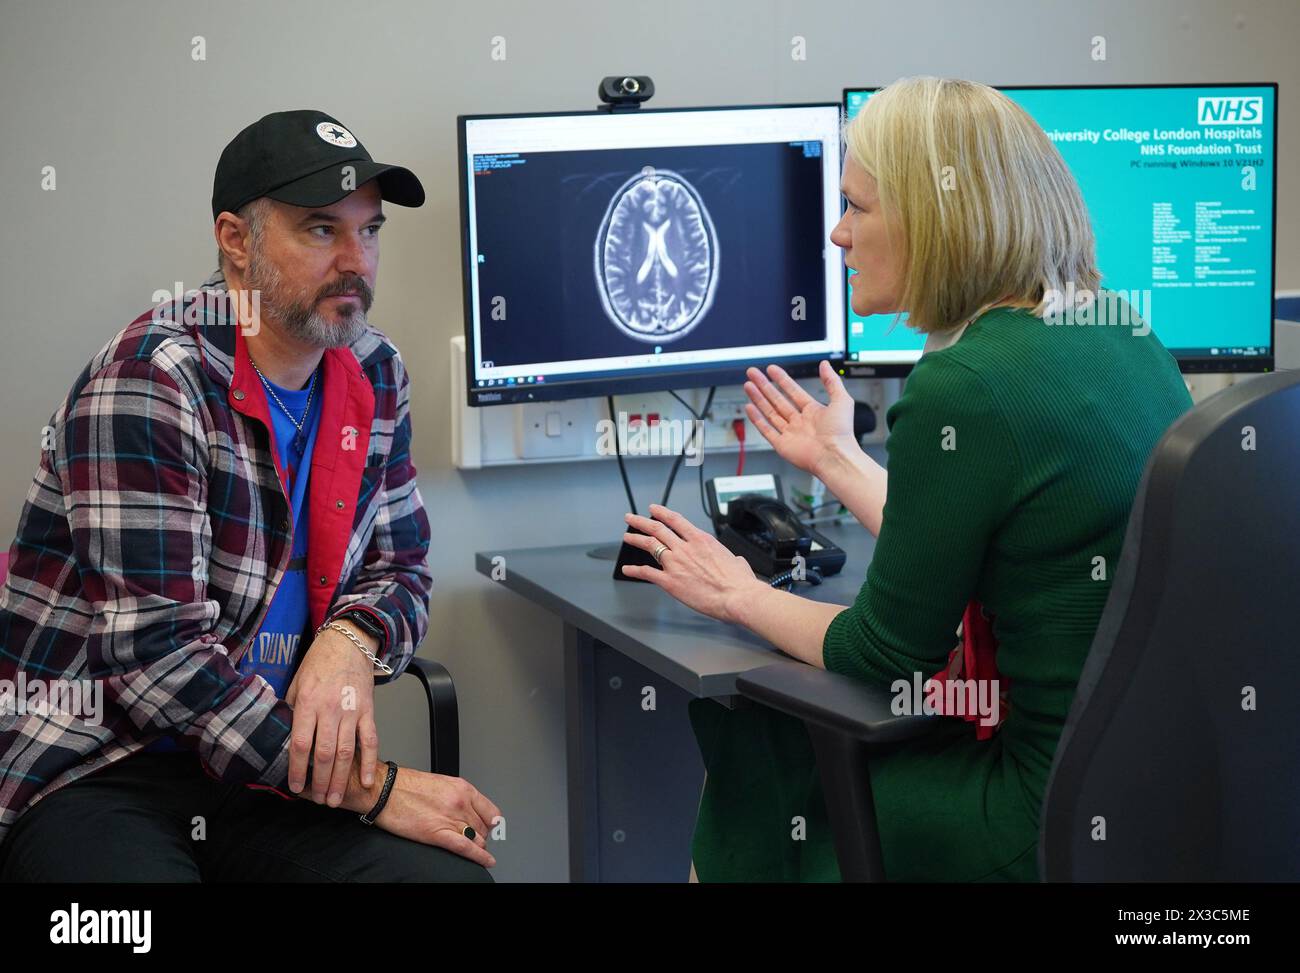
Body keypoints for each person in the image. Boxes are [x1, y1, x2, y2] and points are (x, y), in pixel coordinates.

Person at [619, 77, 1193, 882]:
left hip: (1033, 811)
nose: (837, 232)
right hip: (1155, 798)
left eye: (857, 206)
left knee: (758, 747)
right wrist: (840, 461)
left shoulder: (967, 382)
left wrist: (734, 591)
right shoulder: (1119, 333)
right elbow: (1000, 547)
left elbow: (883, 651)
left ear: (935, 218)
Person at [0, 110, 499, 882]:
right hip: (104, 768)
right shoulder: (150, 381)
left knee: (449, 881)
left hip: (269, 769)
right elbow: (157, 663)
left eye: (369, 231)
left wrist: (352, 640)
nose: (355, 262)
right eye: (321, 231)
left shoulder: (374, 369)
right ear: (236, 240)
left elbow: (402, 569)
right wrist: (377, 789)